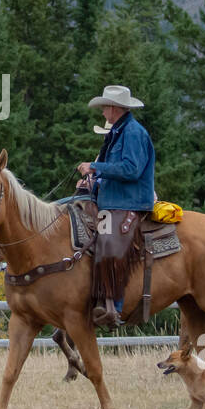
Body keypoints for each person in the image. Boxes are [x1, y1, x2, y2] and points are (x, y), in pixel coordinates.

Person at [76, 85, 156, 327]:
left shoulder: (132, 133)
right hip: (111, 200)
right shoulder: (119, 132)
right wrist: (94, 180)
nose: (102, 113)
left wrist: (95, 168)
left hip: (128, 201)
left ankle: (114, 306)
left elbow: (131, 170)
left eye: (104, 108)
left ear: (114, 108)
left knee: (110, 237)